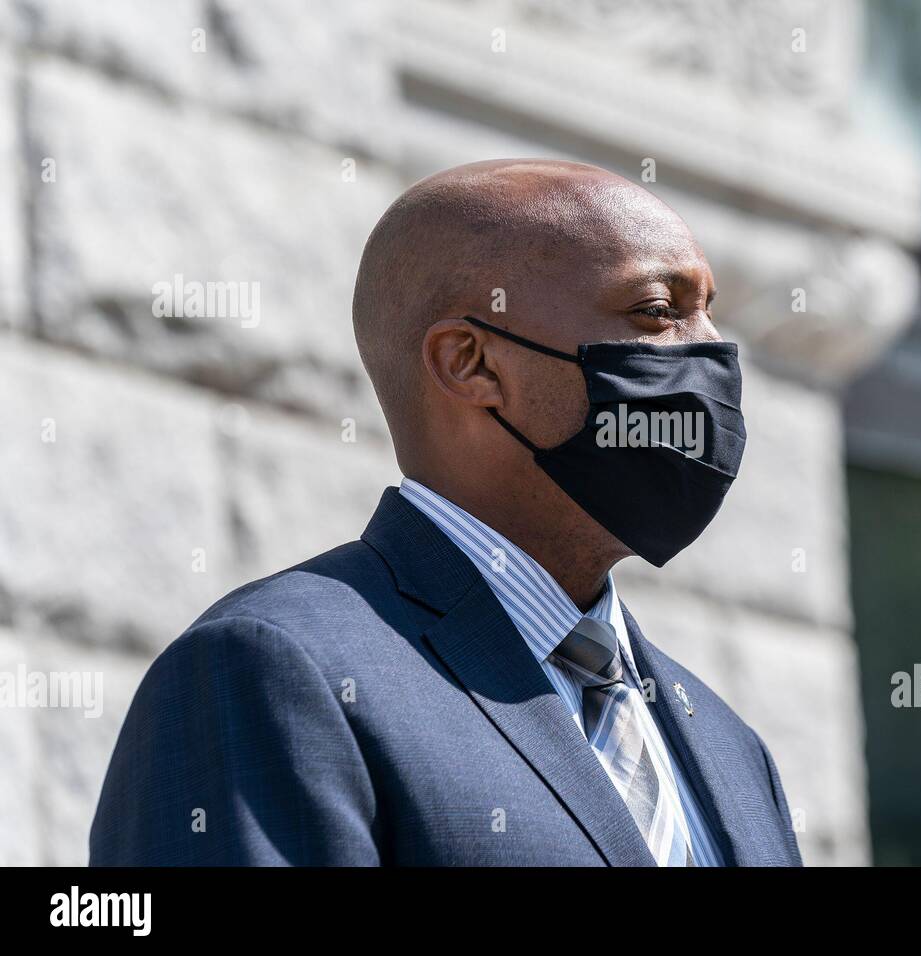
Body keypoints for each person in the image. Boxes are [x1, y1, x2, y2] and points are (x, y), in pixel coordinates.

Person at [90, 159, 802, 866]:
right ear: (472, 364)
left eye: (709, 310)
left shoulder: (731, 750)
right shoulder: (275, 673)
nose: (710, 349)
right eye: (657, 310)